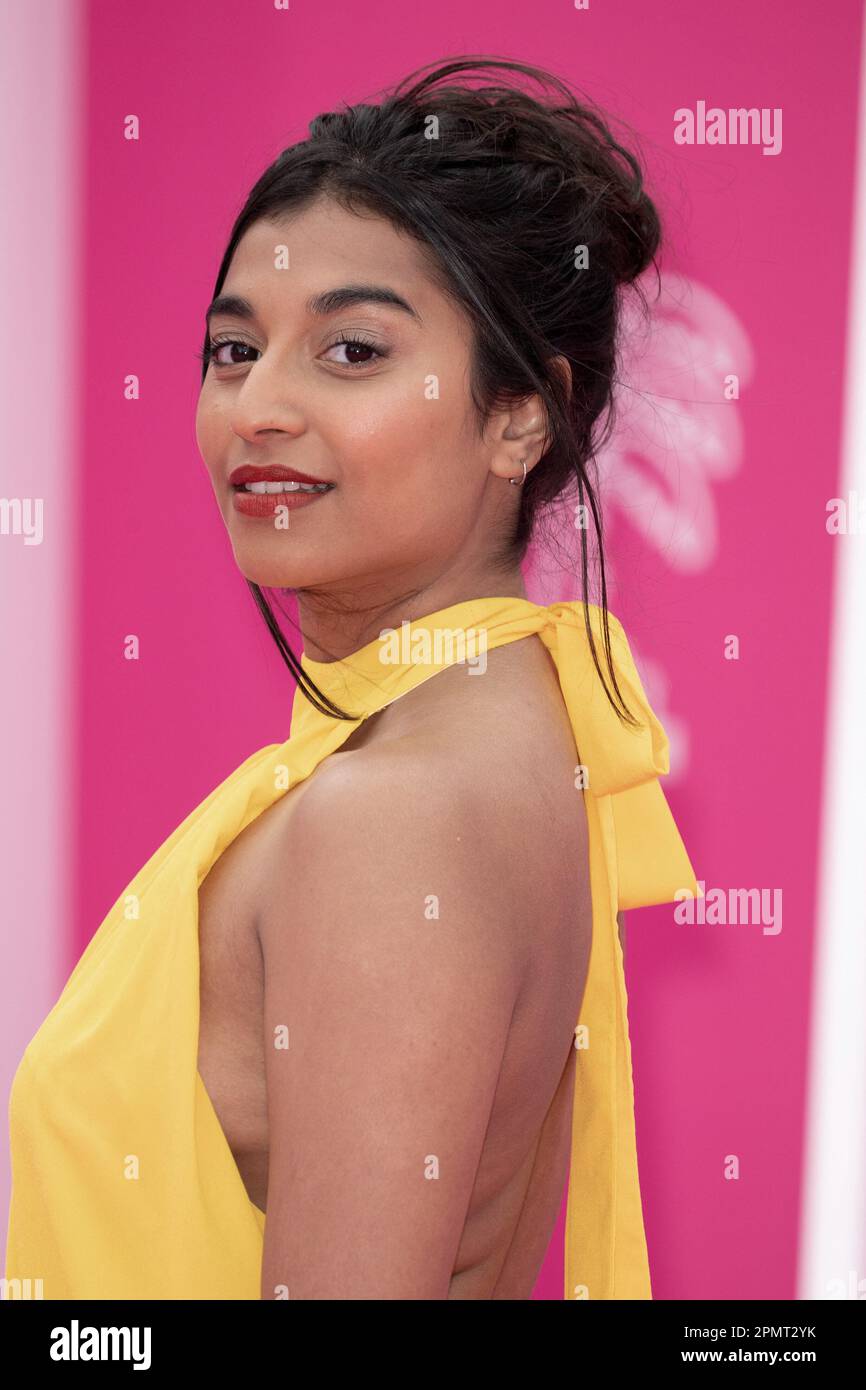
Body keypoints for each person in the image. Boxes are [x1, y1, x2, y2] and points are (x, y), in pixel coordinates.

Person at [4, 55, 699, 1300]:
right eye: (233, 348)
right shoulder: (506, 725)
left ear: (517, 417)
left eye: (352, 350)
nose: (257, 407)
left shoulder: (395, 815)